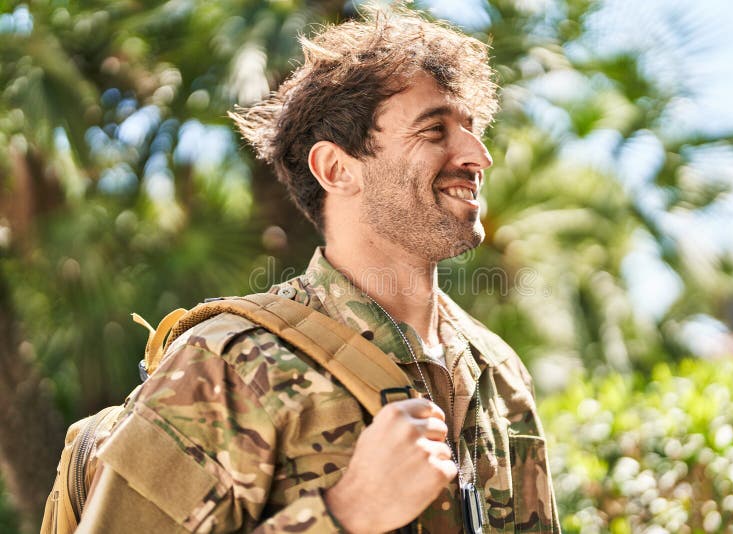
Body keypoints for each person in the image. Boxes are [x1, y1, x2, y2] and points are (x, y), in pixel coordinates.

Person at [77, 6, 560, 533]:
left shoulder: (500, 371)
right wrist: (345, 514)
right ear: (336, 169)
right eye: (434, 129)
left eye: (472, 128)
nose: (478, 155)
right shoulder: (225, 366)